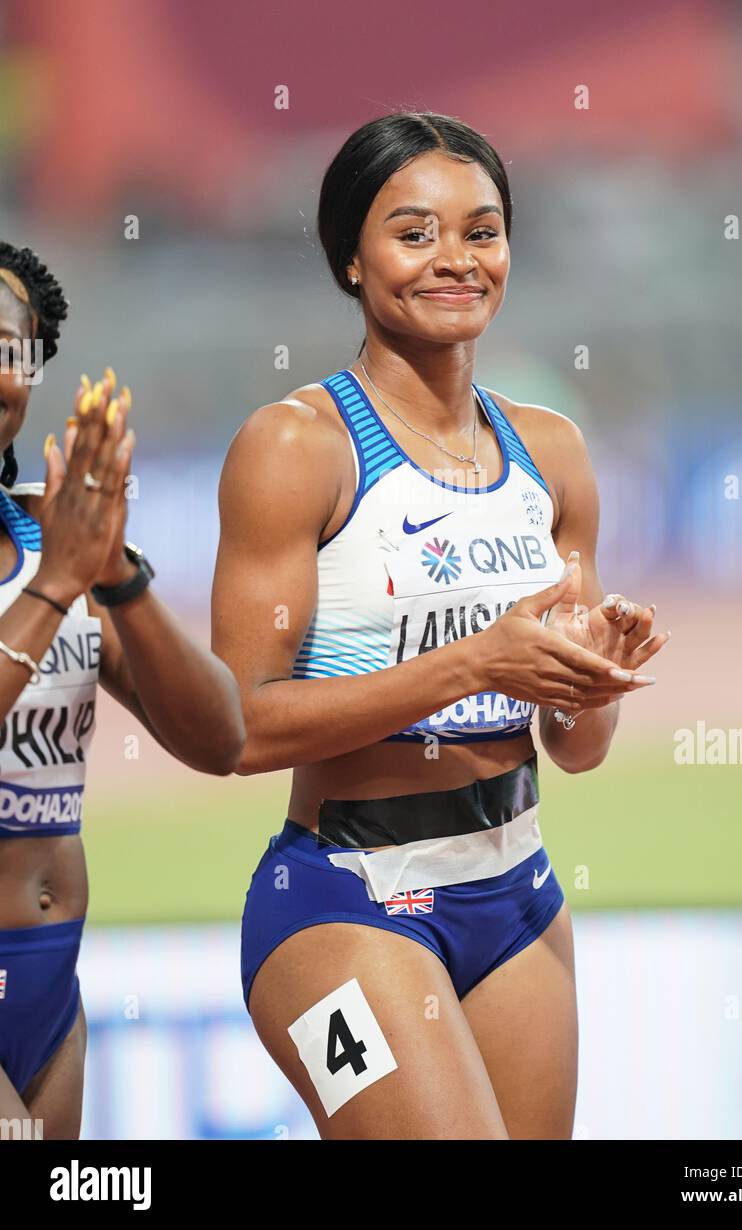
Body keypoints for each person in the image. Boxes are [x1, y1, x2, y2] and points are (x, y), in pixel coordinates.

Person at [213, 112, 669, 1140]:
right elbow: (237, 728)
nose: (455, 260)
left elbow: (576, 750)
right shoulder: (296, 446)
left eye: (482, 230)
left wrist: (593, 682)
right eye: (413, 232)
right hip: (345, 898)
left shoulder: (549, 449)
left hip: (517, 891)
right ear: (348, 256)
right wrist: (470, 662)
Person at [0, 242, 245, 1138]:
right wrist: (56, 587)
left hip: (50, 987)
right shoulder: (48, 571)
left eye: (7, 348)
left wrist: (119, 577)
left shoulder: (46, 537)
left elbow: (222, 741)